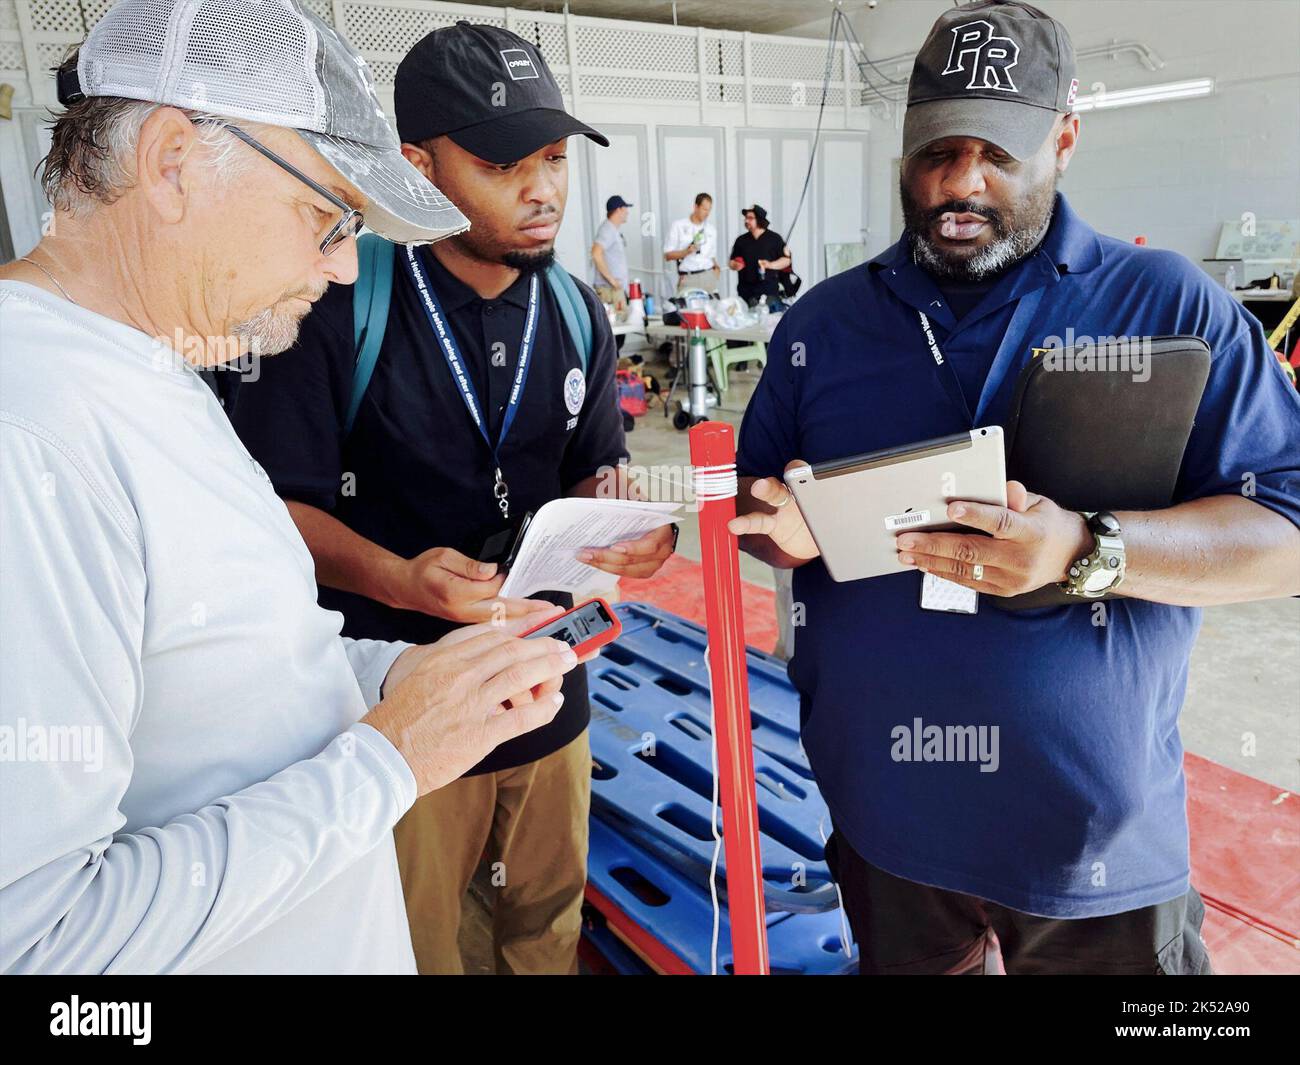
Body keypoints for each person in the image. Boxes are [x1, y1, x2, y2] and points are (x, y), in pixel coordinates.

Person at [0, 0, 577, 975]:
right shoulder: (32, 435)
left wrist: (400, 678)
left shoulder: (157, 373)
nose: (345, 264)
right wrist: (389, 762)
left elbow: (231, 676)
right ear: (174, 163)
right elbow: (42, 945)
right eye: (327, 215)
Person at [728, 0, 1300, 975]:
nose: (961, 182)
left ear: (1065, 140)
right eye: (933, 151)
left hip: (1094, 841)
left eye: (996, 152)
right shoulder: (824, 323)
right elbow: (750, 517)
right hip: (885, 822)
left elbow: (1282, 532)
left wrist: (1087, 552)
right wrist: (782, 528)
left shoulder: (1162, 304)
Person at [229, 22, 675, 976]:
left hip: (549, 684)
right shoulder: (337, 302)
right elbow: (274, 515)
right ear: (417, 167)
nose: (544, 189)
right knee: (421, 941)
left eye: (554, 158)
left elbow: (595, 465)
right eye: (503, 162)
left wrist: (624, 520)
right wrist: (399, 579)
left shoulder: (573, 309)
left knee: (544, 927)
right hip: (403, 705)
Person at [728, 204, 791, 310]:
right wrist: (735, 265)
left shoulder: (774, 239)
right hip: (746, 294)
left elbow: (786, 261)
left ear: (760, 219)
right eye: (746, 218)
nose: (746, 221)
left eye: (750, 218)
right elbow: (731, 262)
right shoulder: (741, 240)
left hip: (769, 292)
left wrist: (770, 265)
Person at [665, 192, 719, 297]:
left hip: (708, 276)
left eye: (709, 210)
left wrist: (716, 270)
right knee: (687, 311)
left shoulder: (711, 229)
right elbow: (667, 255)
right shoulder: (678, 226)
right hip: (689, 278)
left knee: (711, 311)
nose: (707, 213)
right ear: (696, 207)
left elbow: (711, 256)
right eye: (704, 209)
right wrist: (686, 252)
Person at [592, 194, 631, 311]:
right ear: (618, 209)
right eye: (625, 209)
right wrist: (613, 281)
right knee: (617, 325)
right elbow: (596, 253)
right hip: (610, 291)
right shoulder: (607, 229)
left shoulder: (613, 230)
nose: (627, 213)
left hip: (614, 290)